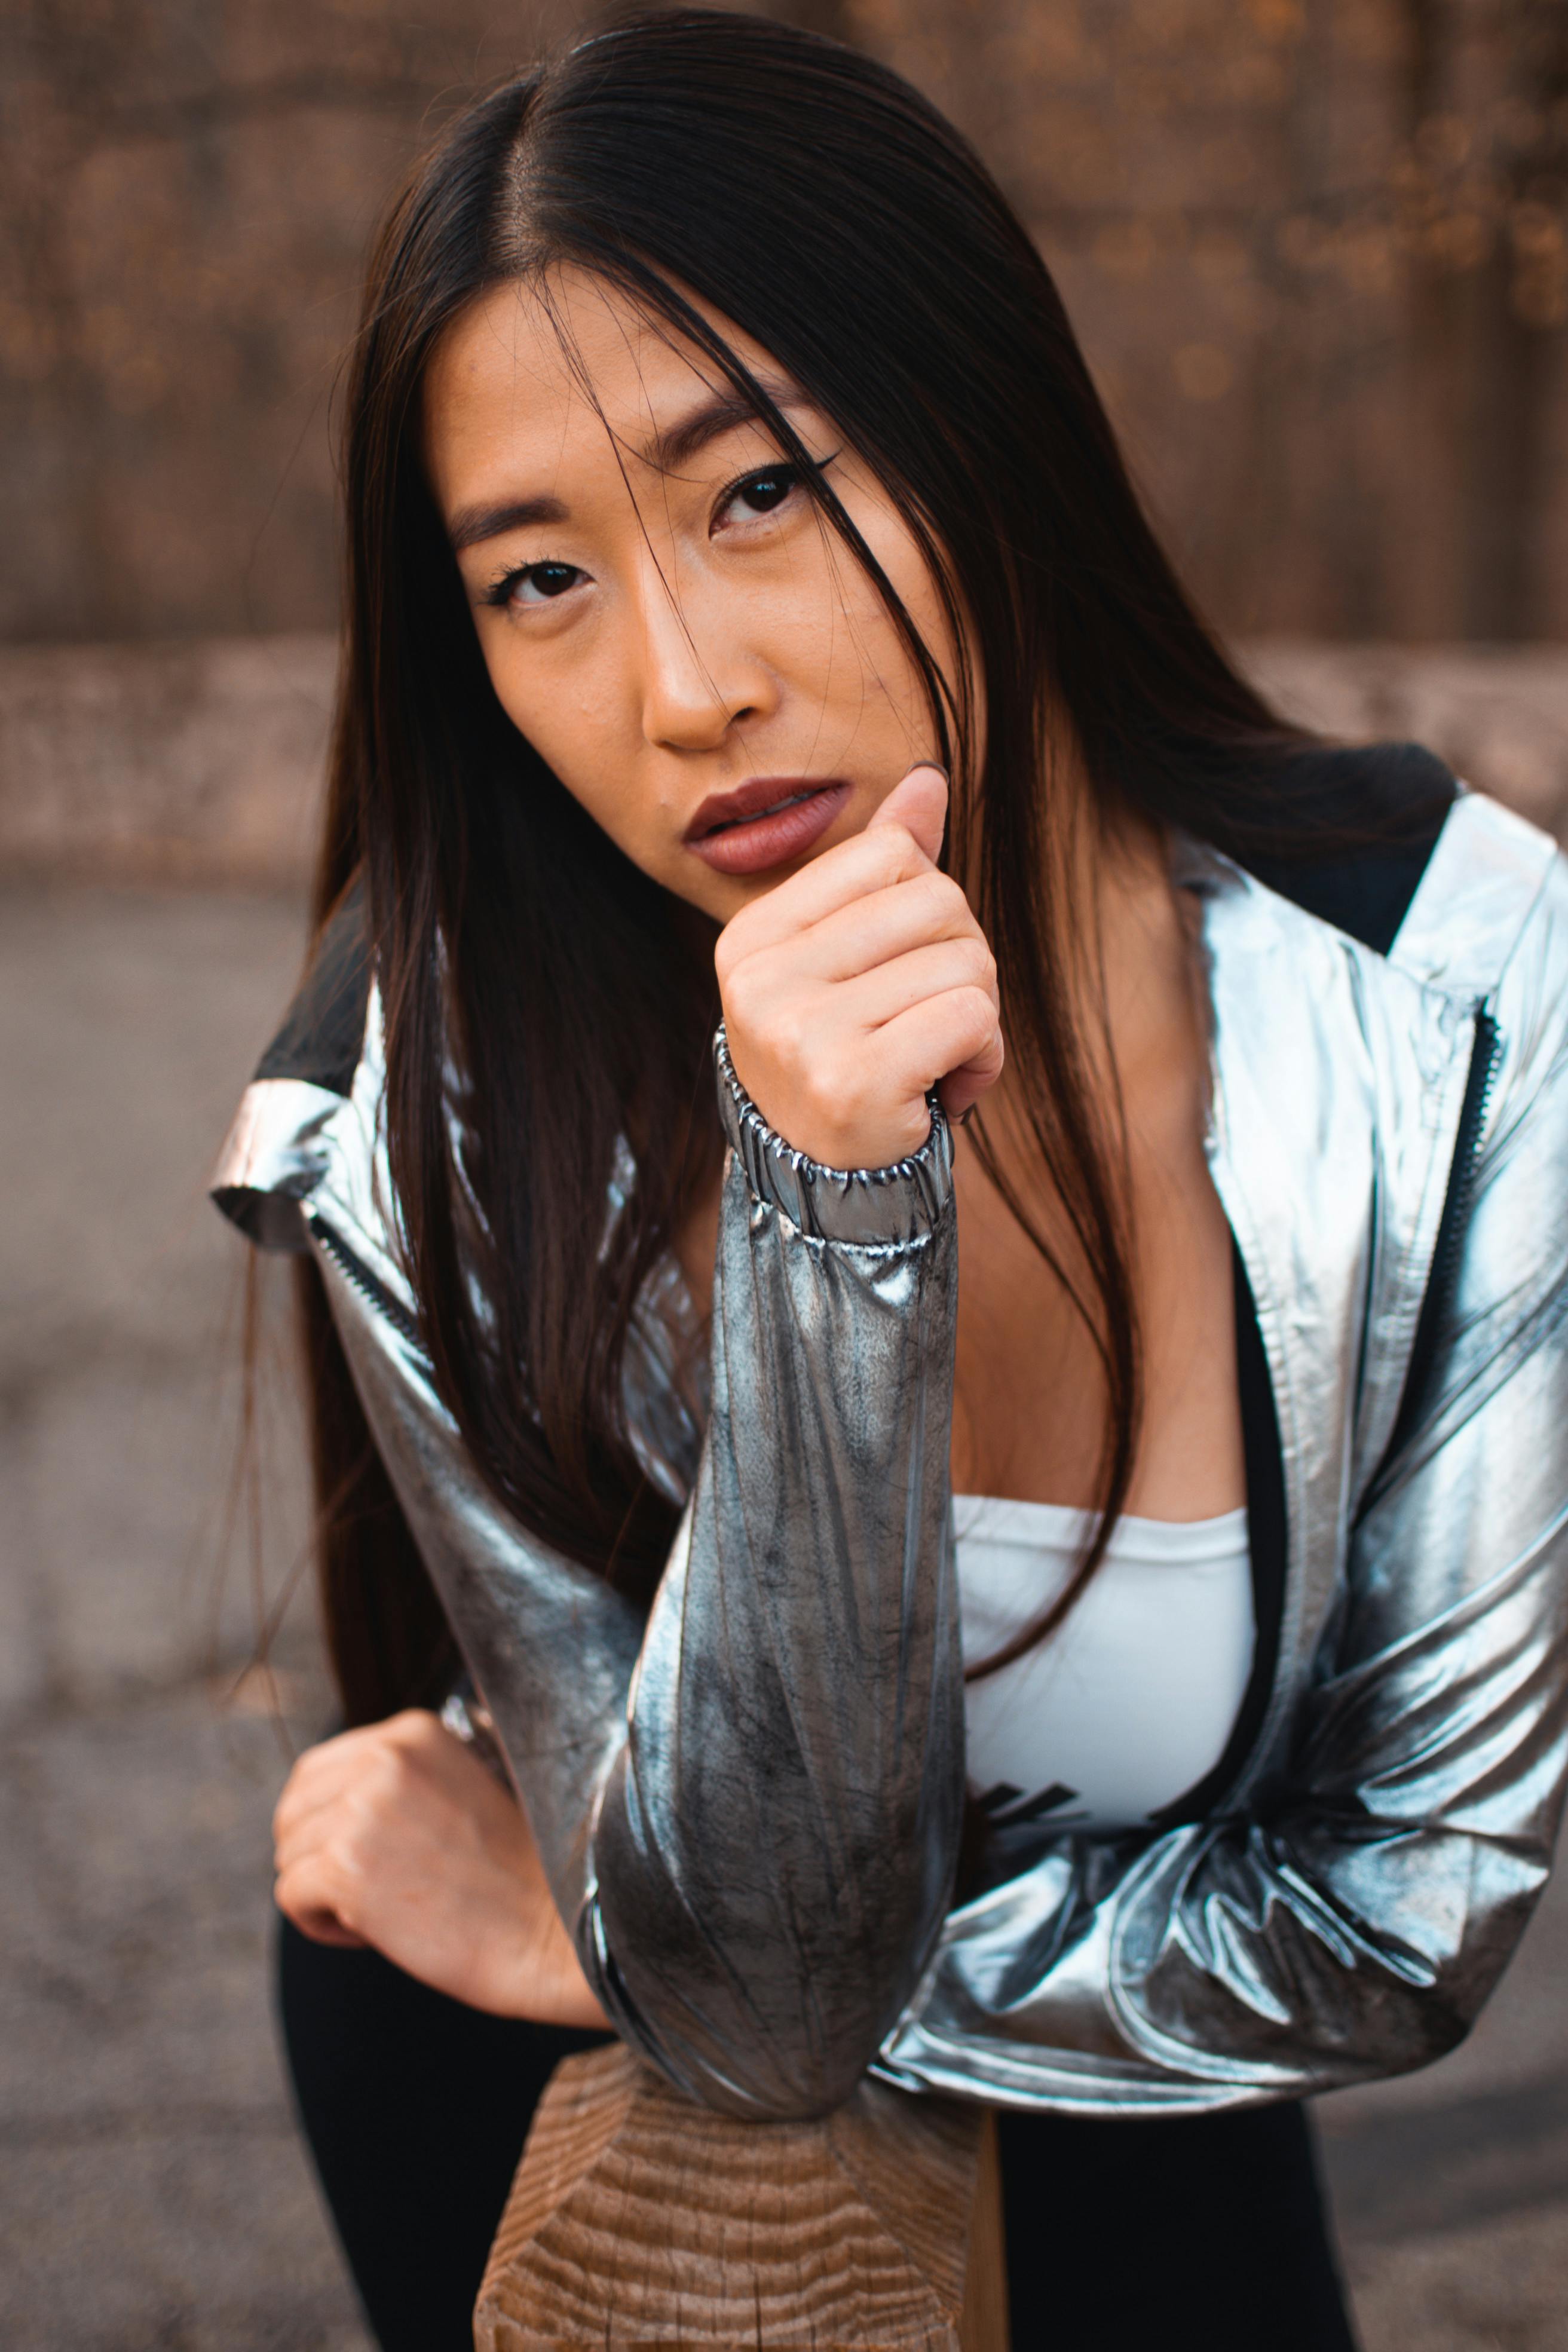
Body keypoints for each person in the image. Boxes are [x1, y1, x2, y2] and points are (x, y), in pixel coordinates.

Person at [212, 13, 1568, 2348]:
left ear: (980, 425)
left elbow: (1393, 1922)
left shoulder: (1449, 994)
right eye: (536, 581)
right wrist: (828, 1211)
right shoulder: (424, 1085)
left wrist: (595, 1945)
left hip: (1124, 2103)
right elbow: (745, 1995)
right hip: (546, 2120)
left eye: (754, 492)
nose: (681, 689)